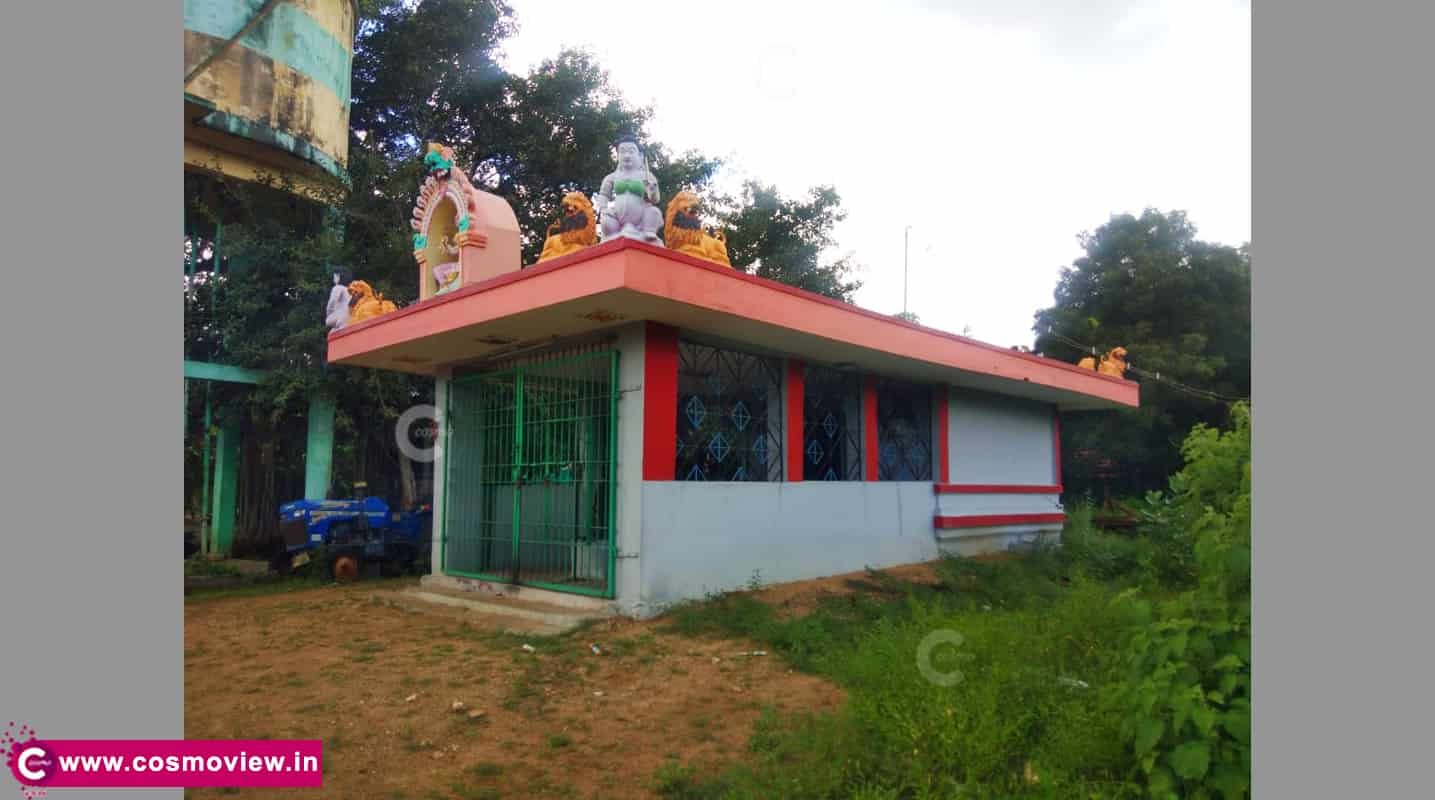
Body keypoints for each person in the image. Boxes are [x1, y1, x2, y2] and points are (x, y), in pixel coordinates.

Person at [594, 135, 663, 242]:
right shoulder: (612, 177)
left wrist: (652, 190)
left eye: (631, 152)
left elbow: (655, 200)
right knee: (606, 221)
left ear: (639, 155)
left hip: (641, 219)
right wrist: (604, 209)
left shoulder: (646, 176)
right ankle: (614, 235)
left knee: (654, 212)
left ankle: (647, 232)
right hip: (618, 219)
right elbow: (603, 195)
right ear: (617, 156)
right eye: (622, 152)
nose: (627, 156)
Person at [325, 267, 353, 331]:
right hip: (350, 319)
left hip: (340, 318)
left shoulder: (337, 288)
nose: (334, 278)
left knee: (327, 321)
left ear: (339, 276)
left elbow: (332, 302)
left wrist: (329, 314)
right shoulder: (350, 291)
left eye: (335, 276)